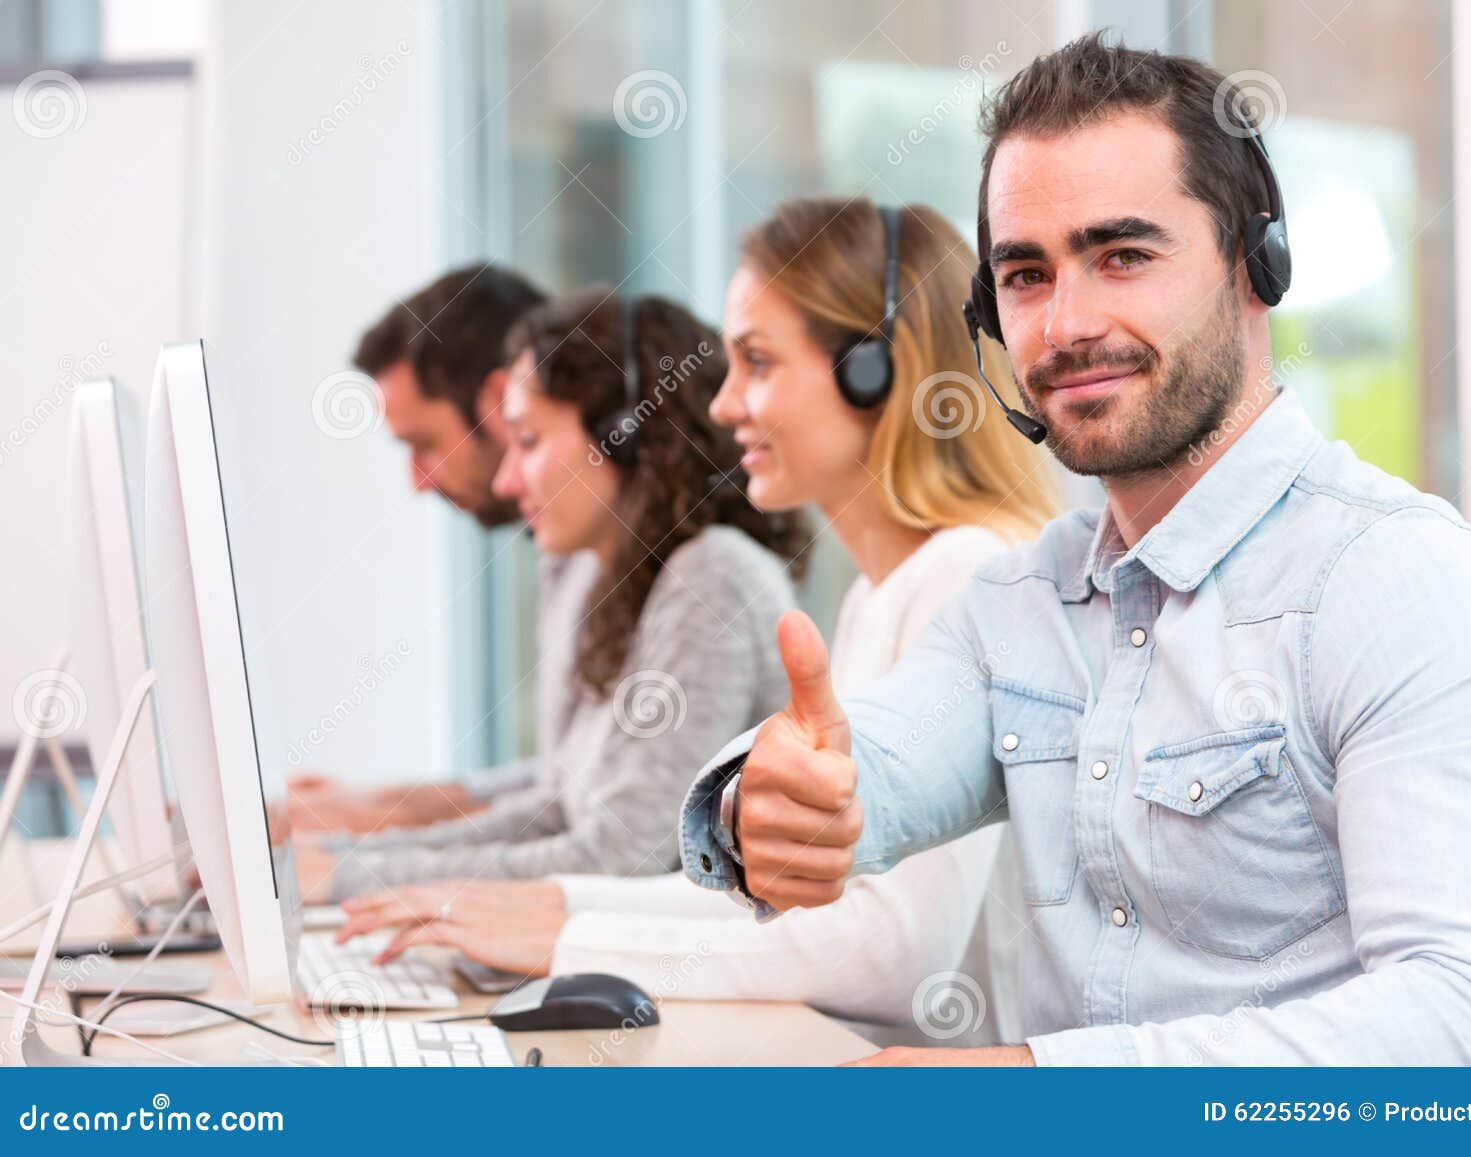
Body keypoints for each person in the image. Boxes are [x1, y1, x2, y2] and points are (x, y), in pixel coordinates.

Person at [679, 34, 1471, 1066]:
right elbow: (867, 762)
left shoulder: (1407, 588)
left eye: (1123, 256)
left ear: (1256, 265)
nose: (1065, 323)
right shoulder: (1019, 602)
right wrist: (766, 801)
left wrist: (1035, 1082)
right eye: (1024, 274)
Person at [333, 199, 1064, 1046]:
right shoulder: (879, 594)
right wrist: (557, 905)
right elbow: (781, 902)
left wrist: (571, 938)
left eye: (758, 361)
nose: (723, 405)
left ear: (874, 369)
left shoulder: (965, 574)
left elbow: (894, 952)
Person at [295, 290, 812, 903]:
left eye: (530, 441)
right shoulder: (631, 587)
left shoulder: (711, 579)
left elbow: (624, 854)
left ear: (621, 434)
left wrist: (347, 877)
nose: (508, 478)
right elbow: (557, 809)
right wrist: (345, 861)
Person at [289, 265, 556, 834]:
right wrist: (387, 805)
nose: (418, 480)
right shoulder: (571, 556)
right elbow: (569, 781)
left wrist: (360, 847)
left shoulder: (660, 563)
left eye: (424, 444)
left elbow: (605, 823)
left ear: (500, 403)